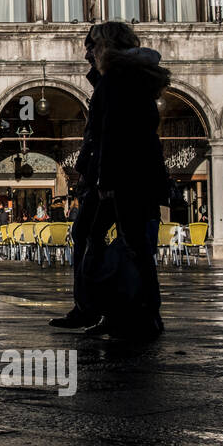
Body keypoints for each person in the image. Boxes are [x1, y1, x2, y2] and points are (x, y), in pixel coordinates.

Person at [52, 22, 170, 340]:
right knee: (108, 240)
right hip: (123, 176)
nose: (87, 52)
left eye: (92, 45)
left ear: (107, 45)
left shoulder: (119, 81)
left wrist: (104, 178)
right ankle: (110, 309)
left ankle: (133, 313)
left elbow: (114, 134)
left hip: (120, 178)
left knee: (123, 244)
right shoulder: (119, 79)